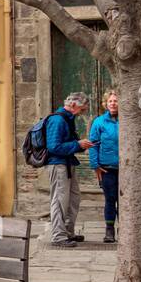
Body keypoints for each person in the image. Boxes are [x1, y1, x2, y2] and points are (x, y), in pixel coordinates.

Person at [45, 91, 93, 248]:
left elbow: (64, 143)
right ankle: (58, 236)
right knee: (59, 200)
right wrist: (78, 145)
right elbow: (53, 147)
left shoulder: (67, 119)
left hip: (67, 163)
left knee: (73, 199)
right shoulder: (58, 120)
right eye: (82, 109)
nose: (82, 113)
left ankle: (67, 231)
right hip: (58, 165)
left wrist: (79, 144)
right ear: (73, 105)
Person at [89, 90, 120, 245]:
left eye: (116, 100)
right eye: (110, 101)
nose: (113, 103)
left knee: (126, 200)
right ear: (106, 104)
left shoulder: (128, 120)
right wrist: (96, 166)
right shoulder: (99, 122)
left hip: (126, 168)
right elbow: (93, 144)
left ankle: (126, 229)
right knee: (110, 199)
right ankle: (110, 230)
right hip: (107, 168)